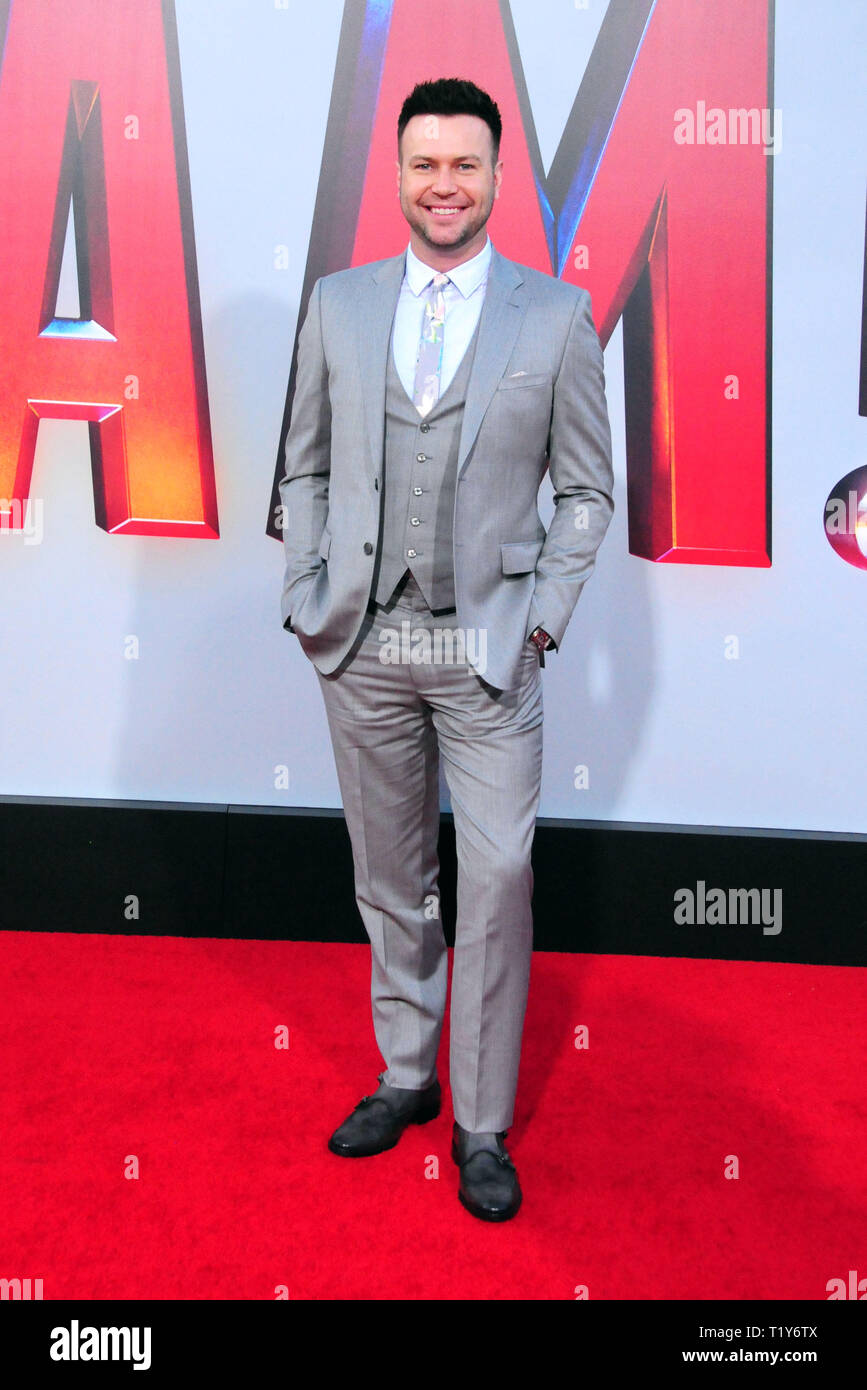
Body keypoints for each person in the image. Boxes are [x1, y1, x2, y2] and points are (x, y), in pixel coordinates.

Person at [278, 78, 613, 1221]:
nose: (444, 185)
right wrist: (308, 590)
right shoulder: (338, 303)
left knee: (500, 876)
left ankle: (482, 1123)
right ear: (400, 174)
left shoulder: (556, 318)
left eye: (464, 165)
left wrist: (542, 619)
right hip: (364, 641)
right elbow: (305, 466)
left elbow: (587, 492)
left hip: (488, 650)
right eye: (425, 164)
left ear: (499, 178)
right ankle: (407, 1075)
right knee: (389, 876)